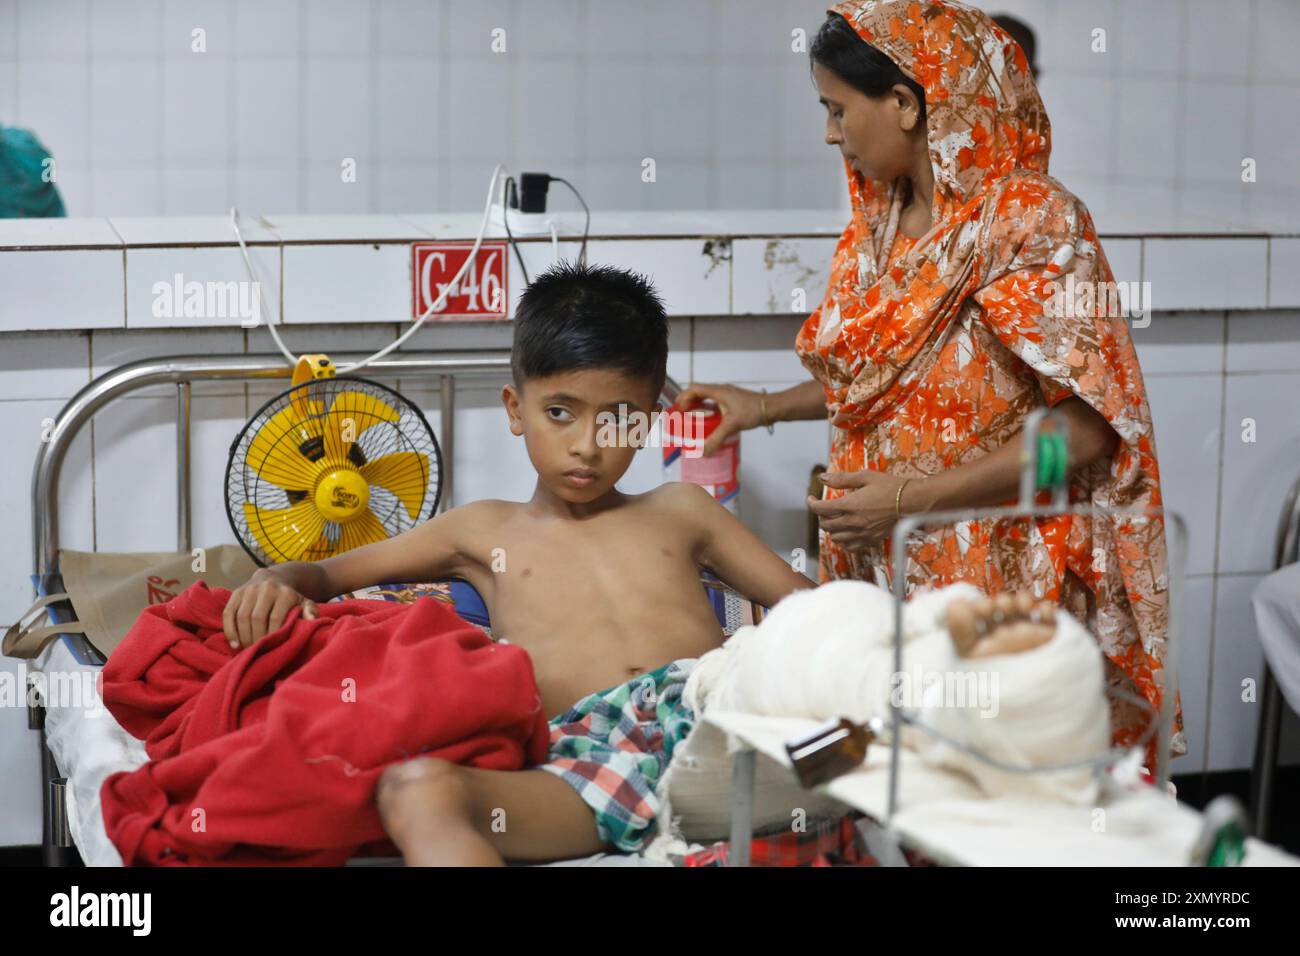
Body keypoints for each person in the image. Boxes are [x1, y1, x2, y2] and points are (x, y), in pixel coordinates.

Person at [674, 0, 1181, 767]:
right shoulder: (878, 224)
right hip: (880, 556)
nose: (829, 133)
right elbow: (892, 383)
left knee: (983, 789)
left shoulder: (1028, 222)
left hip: (994, 572)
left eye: (837, 109)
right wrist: (765, 408)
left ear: (906, 103)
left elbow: (1082, 430)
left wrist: (915, 499)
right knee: (876, 781)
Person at [221, 261, 815, 865]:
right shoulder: (481, 530)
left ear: (648, 421)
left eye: (617, 419)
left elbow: (816, 609)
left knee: (877, 744)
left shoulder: (683, 510)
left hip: (717, 721)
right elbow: (328, 575)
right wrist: (276, 578)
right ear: (515, 408)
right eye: (559, 412)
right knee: (416, 790)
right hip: (589, 764)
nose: (587, 445)